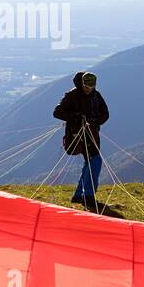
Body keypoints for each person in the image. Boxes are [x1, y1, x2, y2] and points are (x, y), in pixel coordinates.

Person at [53, 70, 109, 210]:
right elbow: (57, 112)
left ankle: (79, 195)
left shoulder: (96, 95)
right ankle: (88, 196)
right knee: (95, 161)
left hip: (92, 133)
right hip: (76, 135)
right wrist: (76, 116)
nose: (88, 90)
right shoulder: (72, 95)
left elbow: (105, 114)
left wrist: (95, 120)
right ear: (81, 84)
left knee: (91, 161)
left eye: (91, 87)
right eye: (86, 87)